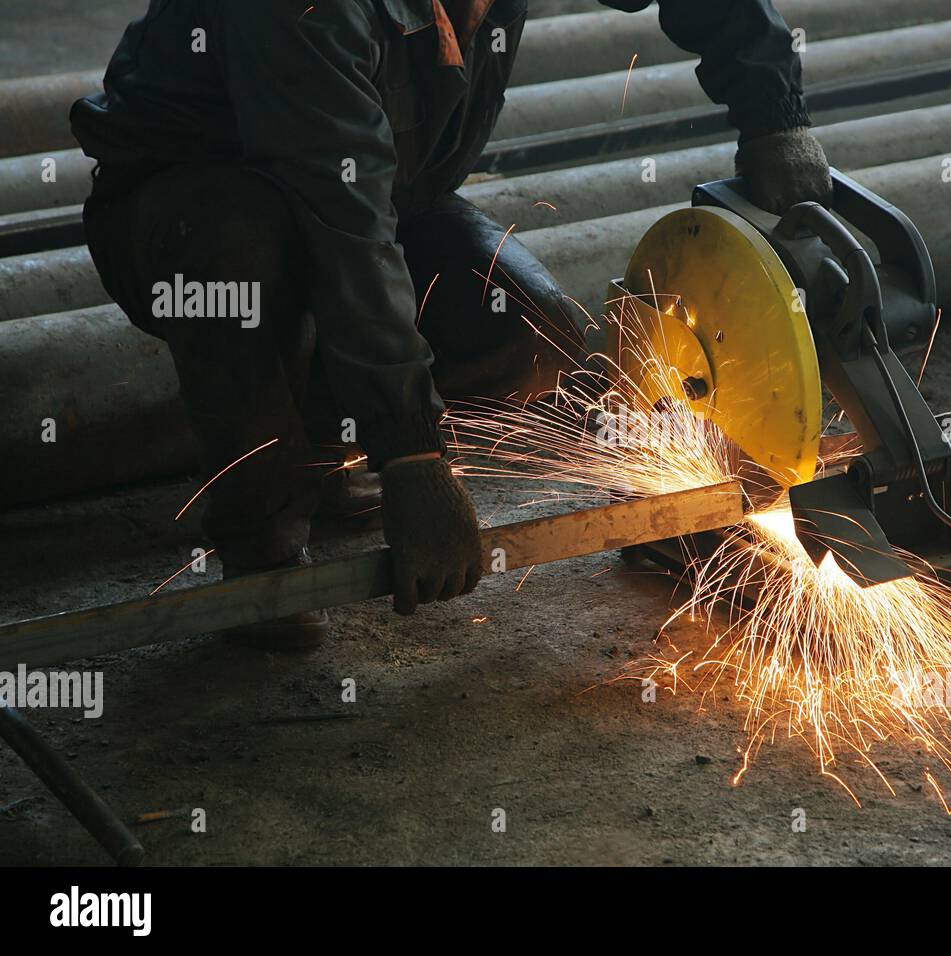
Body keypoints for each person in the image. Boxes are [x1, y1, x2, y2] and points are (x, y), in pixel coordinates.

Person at [70, 0, 832, 648]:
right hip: (192, 217)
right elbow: (342, 220)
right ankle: (258, 520)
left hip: (380, 195)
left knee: (536, 337)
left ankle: (323, 442)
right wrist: (413, 458)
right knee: (240, 253)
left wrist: (775, 117)